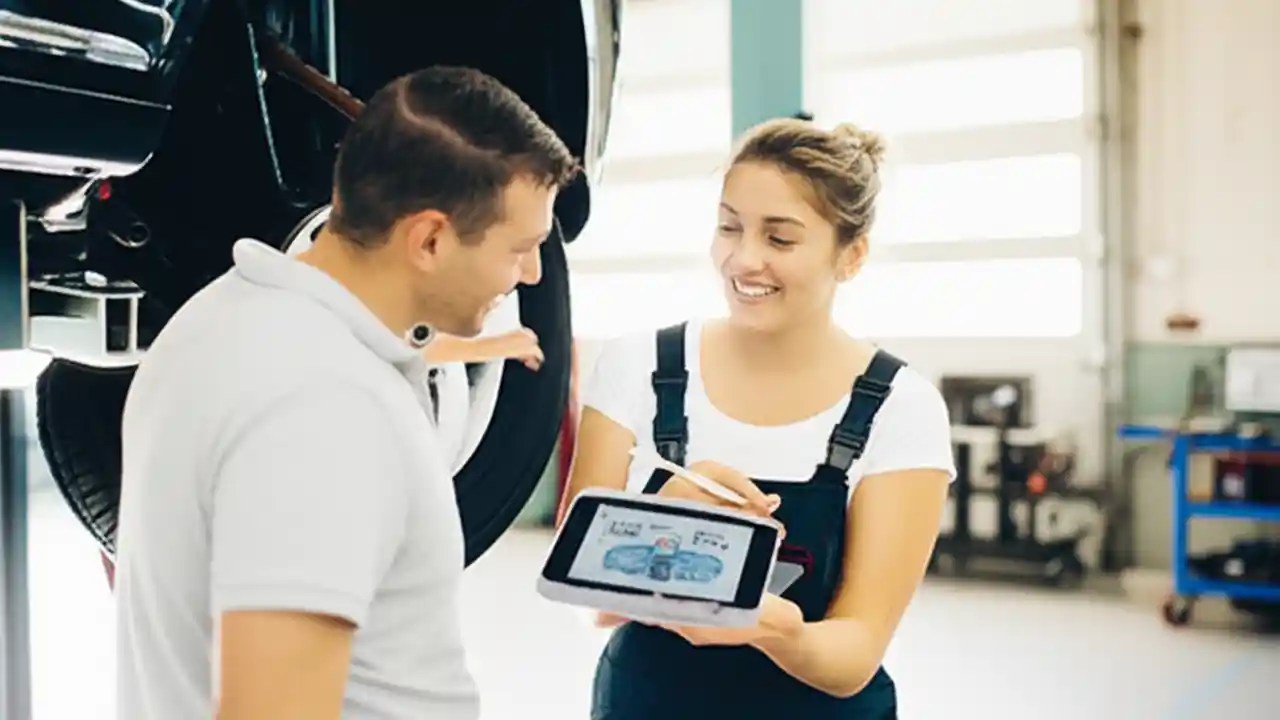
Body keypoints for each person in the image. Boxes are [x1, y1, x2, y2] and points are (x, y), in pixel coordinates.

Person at [114, 66, 577, 719]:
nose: (532, 273)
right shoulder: (324, 407)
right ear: (430, 239)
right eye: (519, 248)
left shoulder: (221, 318)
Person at [564, 117, 956, 719]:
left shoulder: (902, 408)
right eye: (729, 227)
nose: (743, 260)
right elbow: (586, 585)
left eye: (780, 239)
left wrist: (772, 628)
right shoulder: (636, 366)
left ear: (851, 256)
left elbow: (854, 655)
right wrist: (667, 512)